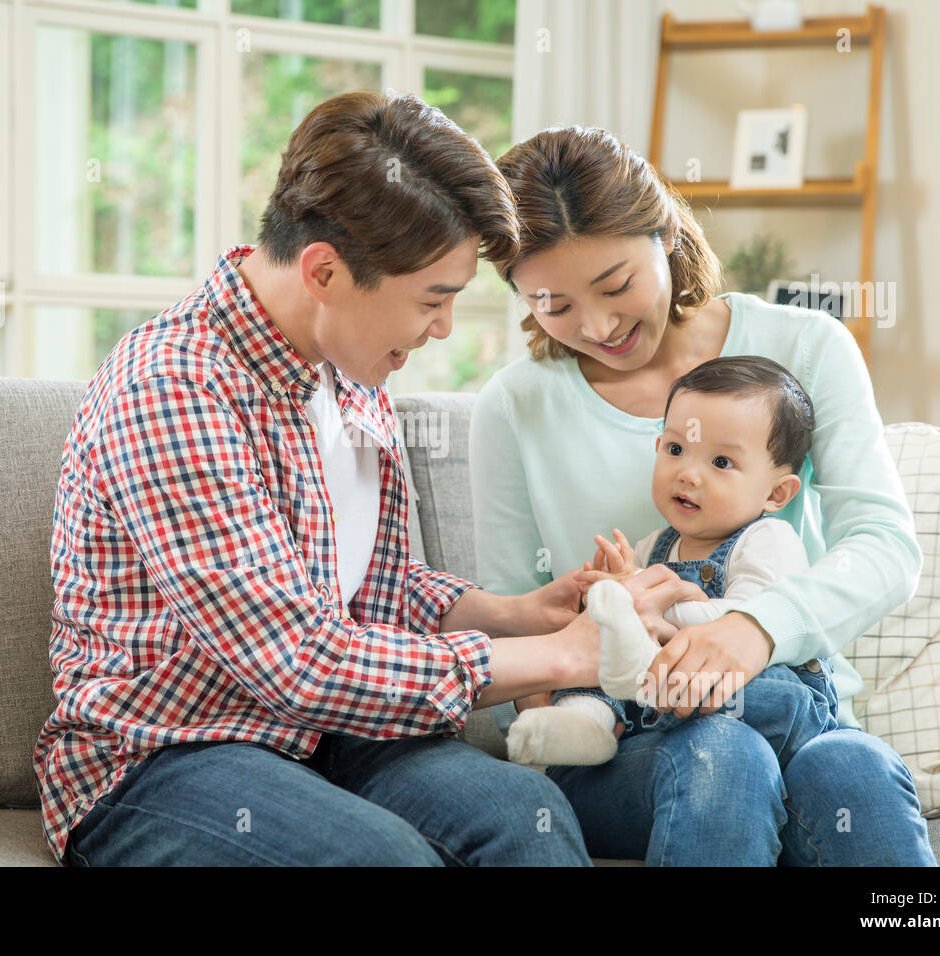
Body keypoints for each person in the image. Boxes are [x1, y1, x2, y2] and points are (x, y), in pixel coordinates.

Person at [33, 91, 617, 867]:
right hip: (165, 755)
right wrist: (562, 658)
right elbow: (298, 657)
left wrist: (523, 614)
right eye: (432, 300)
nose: (442, 328)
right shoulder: (173, 386)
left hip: (327, 734)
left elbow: (369, 593)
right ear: (325, 270)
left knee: (525, 815)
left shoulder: (350, 369)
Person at [470, 125, 936, 865]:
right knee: (725, 754)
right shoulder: (514, 404)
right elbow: (509, 610)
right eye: (553, 304)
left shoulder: (807, 346)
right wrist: (569, 725)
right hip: (622, 745)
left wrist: (752, 628)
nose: (598, 326)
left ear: (665, 233)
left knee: (857, 766)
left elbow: (884, 546)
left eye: (617, 284)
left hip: (792, 715)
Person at [505, 356, 837, 773]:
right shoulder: (653, 547)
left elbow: (747, 620)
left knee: (770, 688)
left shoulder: (767, 540)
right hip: (672, 709)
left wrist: (649, 611)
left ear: (776, 494)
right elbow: (621, 632)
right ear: (658, 447)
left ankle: (615, 717)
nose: (688, 475)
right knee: (598, 652)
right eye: (676, 449)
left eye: (720, 463)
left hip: (758, 699)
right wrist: (607, 593)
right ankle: (586, 725)